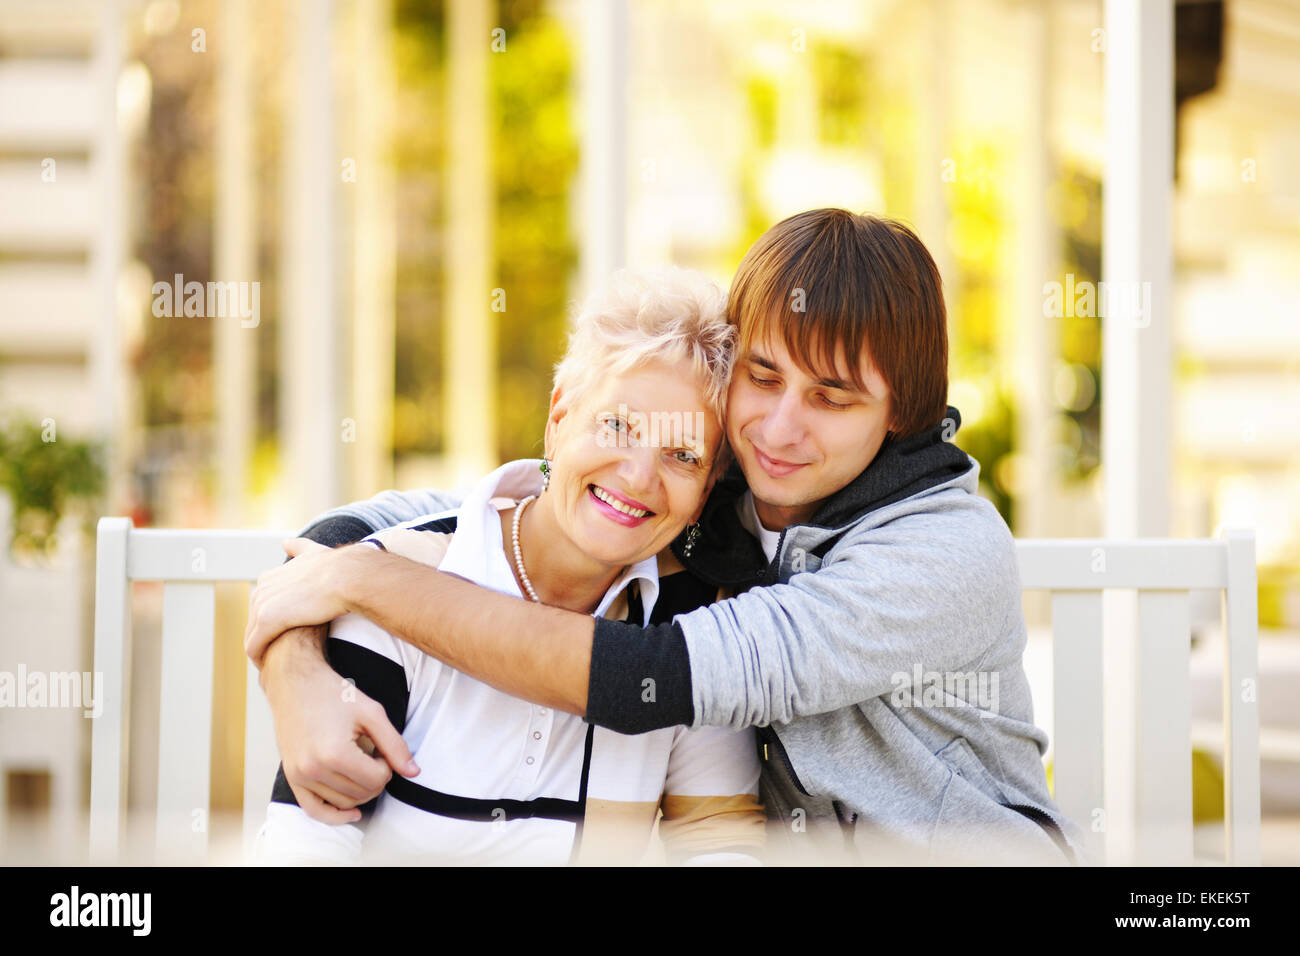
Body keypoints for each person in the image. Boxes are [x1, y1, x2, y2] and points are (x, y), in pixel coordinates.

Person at [247, 208, 1089, 865]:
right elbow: (423, 517)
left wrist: (367, 583)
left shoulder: (941, 553)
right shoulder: (712, 481)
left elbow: (647, 678)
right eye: (762, 377)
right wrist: (297, 672)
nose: (781, 428)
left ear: (899, 413)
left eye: (832, 399)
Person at [256, 267, 765, 865]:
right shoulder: (393, 582)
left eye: (682, 455)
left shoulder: (691, 622)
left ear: (705, 492)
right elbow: (308, 846)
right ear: (558, 422)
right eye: (617, 426)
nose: (637, 476)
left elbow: (717, 839)